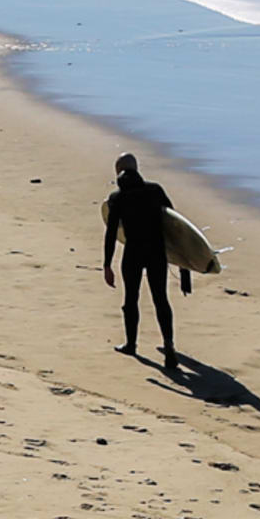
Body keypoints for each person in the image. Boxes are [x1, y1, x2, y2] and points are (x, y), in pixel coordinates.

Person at [100, 151, 181, 373]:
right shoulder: (155, 191)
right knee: (161, 300)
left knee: (131, 299)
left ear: (118, 173)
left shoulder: (117, 198)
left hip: (134, 252)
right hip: (156, 252)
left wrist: (107, 265)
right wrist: (184, 265)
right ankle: (169, 344)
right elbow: (176, 226)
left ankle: (131, 345)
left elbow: (111, 234)